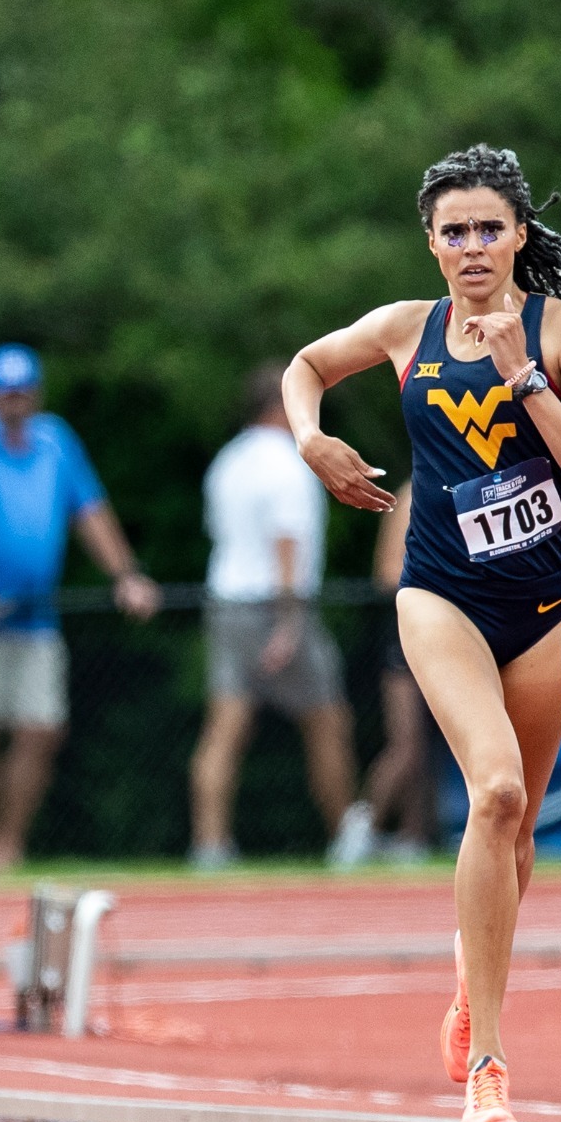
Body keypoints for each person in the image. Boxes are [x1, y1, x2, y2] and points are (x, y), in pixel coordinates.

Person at [282, 144, 561, 1122]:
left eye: (488, 229)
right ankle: (488, 1068)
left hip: (545, 605)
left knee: (519, 823)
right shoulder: (405, 328)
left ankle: (472, 979)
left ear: (518, 237)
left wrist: (525, 381)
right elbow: (306, 367)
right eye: (452, 230)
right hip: (441, 595)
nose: (470, 246)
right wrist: (310, 438)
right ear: (430, 242)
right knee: (492, 790)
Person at [0, 344, 158, 872]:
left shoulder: (55, 441)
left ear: (35, 394)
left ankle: (9, 843)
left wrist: (126, 575)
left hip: (34, 615)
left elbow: (90, 511)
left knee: (41, 728)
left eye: (22, 392)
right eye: (5, 393)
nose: (14, 401)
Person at [188, 363, 364, 872]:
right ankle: (346, 837)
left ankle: (210, 845)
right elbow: (287, 543)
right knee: (328, 720)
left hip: (227, 601)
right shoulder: (289, 463)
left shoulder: (229, 461)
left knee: (225, 727)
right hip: (277, 604)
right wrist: (290, 624)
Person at [348, 482, 438, 866]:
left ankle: (413, 838)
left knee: (429, 746)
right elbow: (386, 573)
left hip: (446, 633)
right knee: (406, 745)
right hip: (407, 633)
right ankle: (357, 833)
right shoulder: (413, 496)